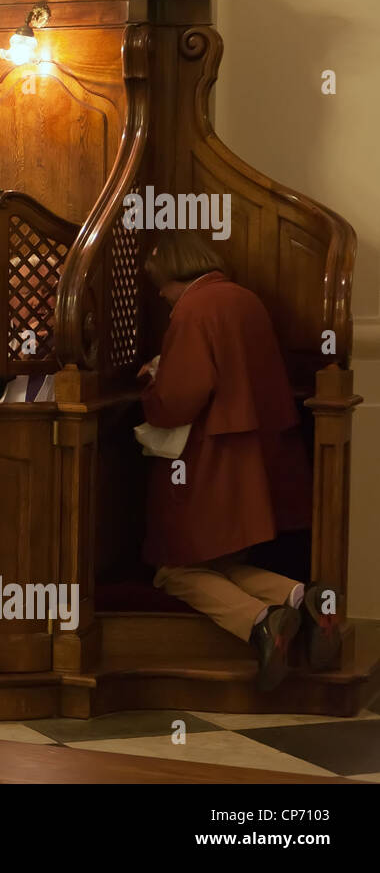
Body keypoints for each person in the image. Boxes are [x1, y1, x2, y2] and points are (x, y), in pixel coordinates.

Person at [138, 233, 331, 691]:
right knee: (217, 563)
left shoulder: (194, 308)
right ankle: (302, 597)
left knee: (175, 569)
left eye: (160, 286)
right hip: (258, 452)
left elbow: (179, 400)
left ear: (173, 273)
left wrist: (153, 383)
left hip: (214, 456)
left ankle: (262, 621)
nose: (161, 296)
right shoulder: (245, 299)